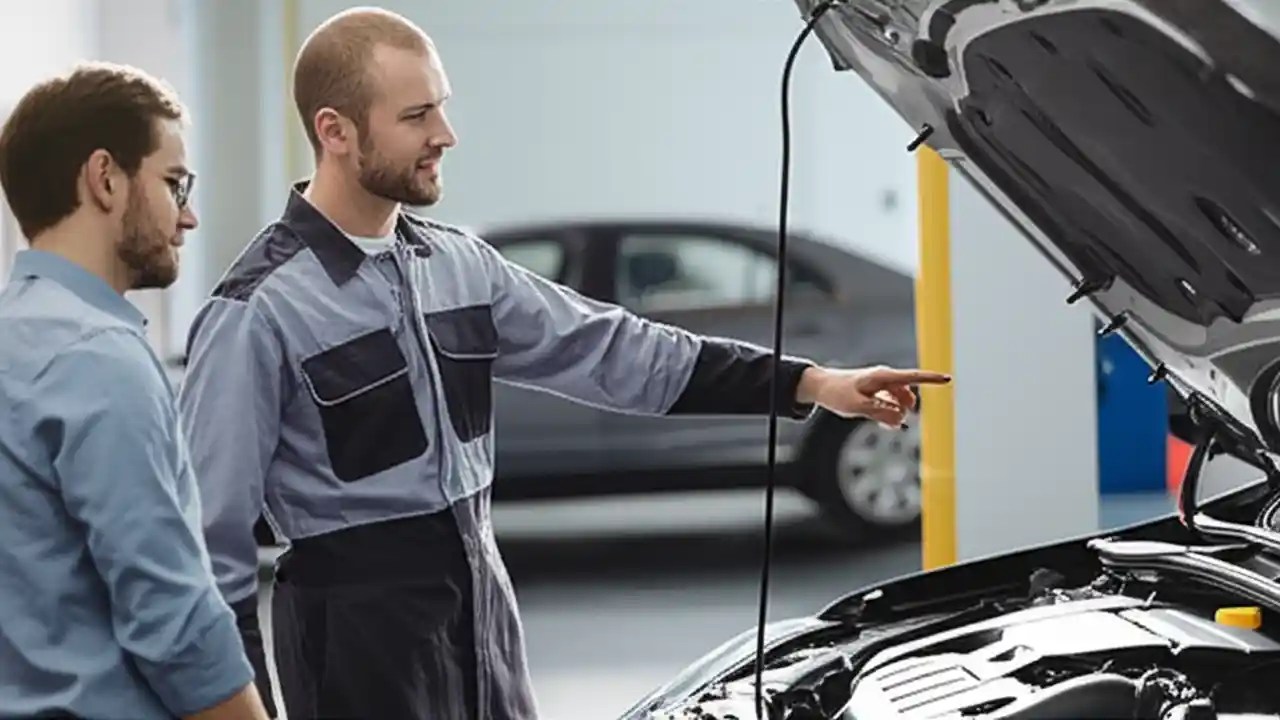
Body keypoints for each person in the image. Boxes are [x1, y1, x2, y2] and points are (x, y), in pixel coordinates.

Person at [179, 7, 951, 720]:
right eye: (416, 116)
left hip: (483, 610)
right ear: (336, 131)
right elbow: (209, 551)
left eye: (441, 106)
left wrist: (811, 383)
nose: (445, 133)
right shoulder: (259, 311)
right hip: (358, 638)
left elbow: (615, 351)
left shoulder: (460, 269)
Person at [0, 63, 270, 720]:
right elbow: (174, 621)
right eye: (175, 184)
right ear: (105, 178)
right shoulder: (99, 360)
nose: (191, 217)